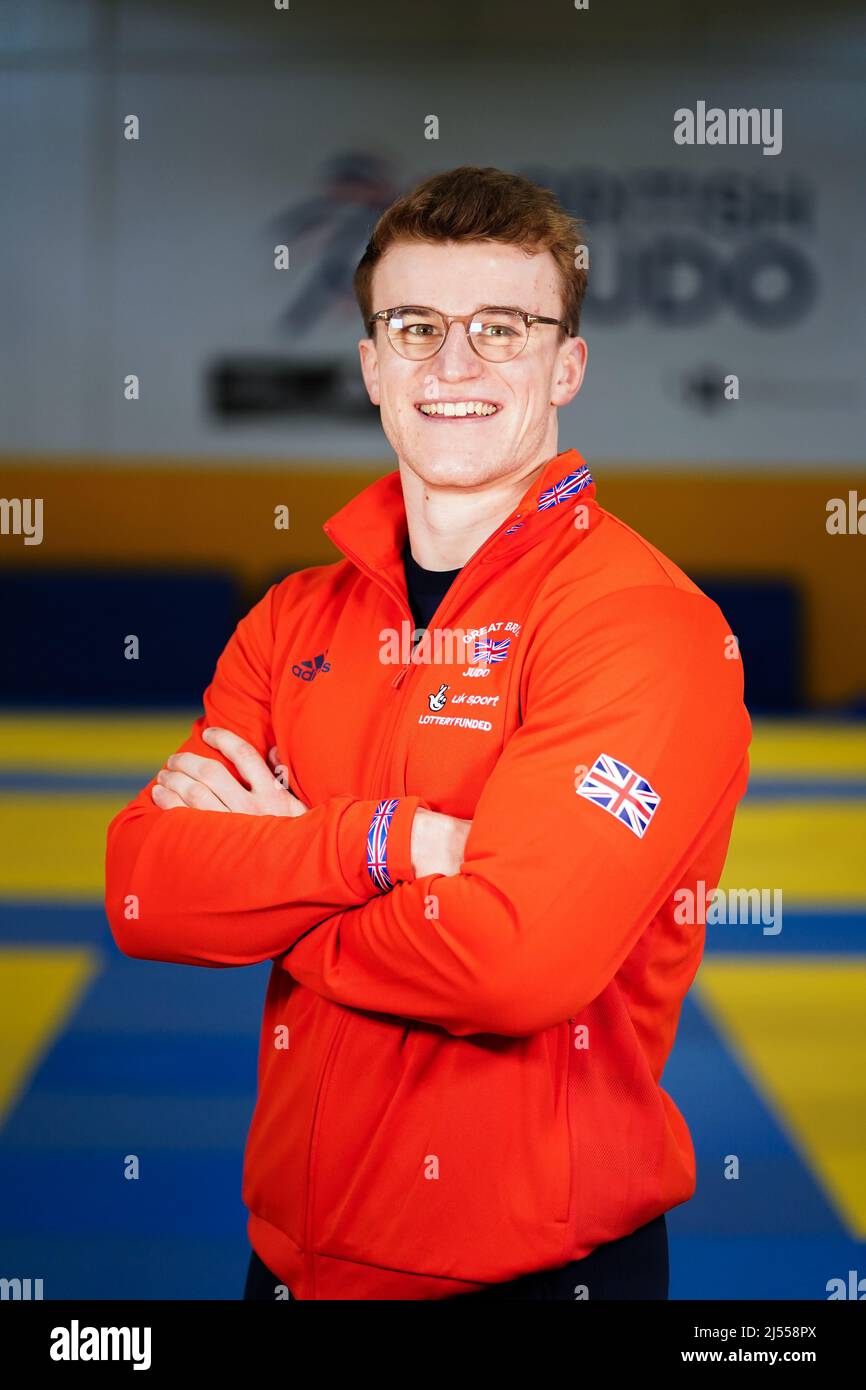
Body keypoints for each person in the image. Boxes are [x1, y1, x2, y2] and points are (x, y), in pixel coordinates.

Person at [105, 165, 751, 1301]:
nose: (452, 365)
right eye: (414, 327)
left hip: (532, 1280)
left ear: (567, 366)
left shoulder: (641, 625)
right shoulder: (292, 616)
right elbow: (145, 891)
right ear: (369, 364)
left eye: (500, 329)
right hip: (287, 1264)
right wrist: (395, 847)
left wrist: (280, 881)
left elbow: (514, 964)